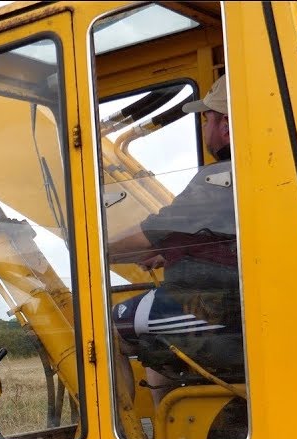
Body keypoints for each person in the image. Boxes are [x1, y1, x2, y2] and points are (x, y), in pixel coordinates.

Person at [107, 78, 245, 421]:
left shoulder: (220, 180)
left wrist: (95, 249)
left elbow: (150, 231)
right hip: (242, 306)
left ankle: (129, 434)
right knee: (154, 339)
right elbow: (223, 240)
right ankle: (168, 426)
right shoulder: (263, 171)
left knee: (105, 330)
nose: (205, 128)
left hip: (218, 310)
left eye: (207, 119)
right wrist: (173, 252)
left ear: (226, 125)